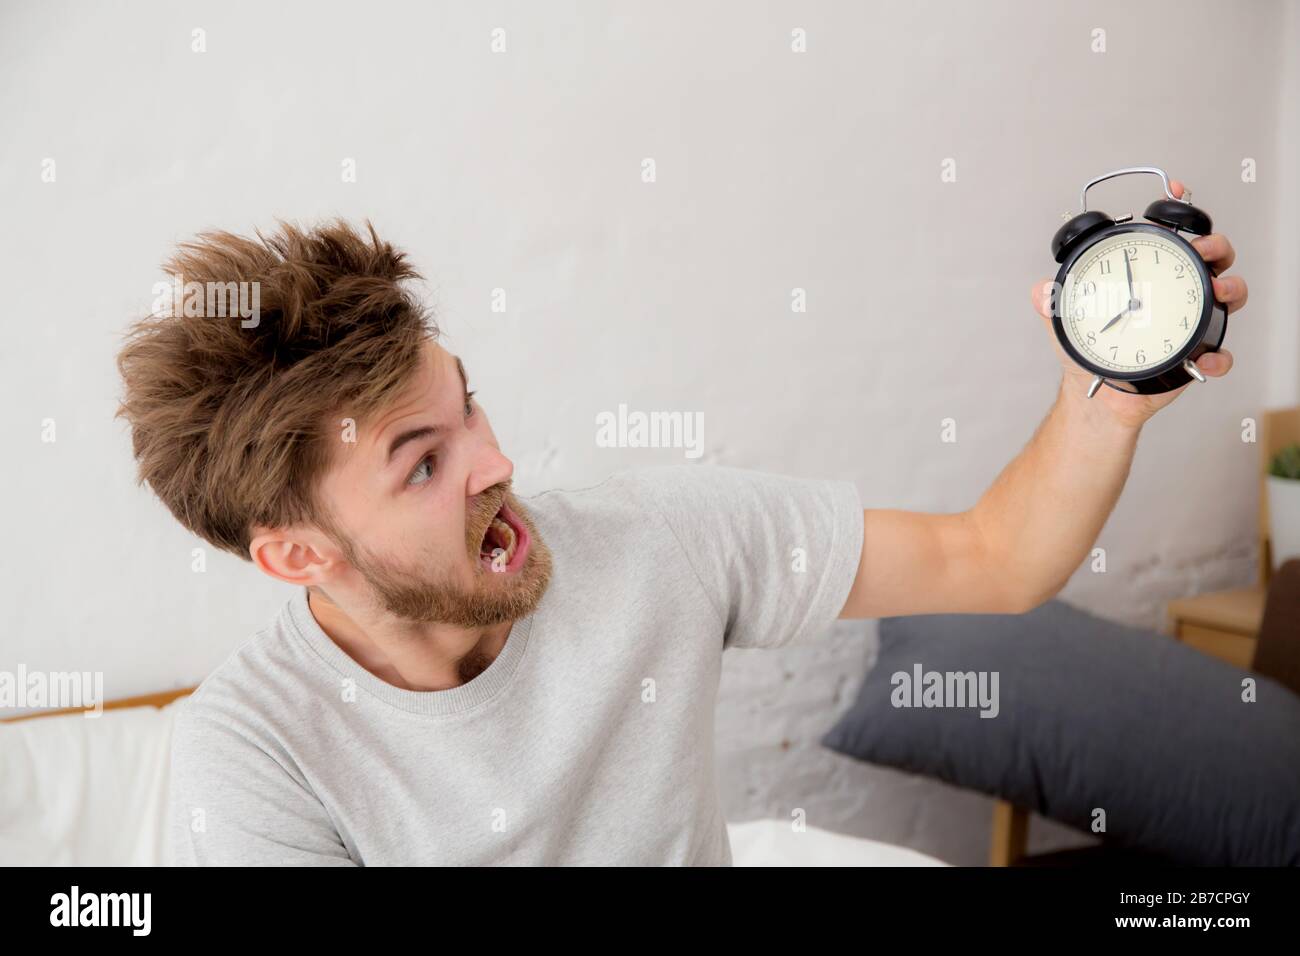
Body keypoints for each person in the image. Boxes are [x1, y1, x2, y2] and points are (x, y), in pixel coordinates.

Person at [114, 183, 1246, 865]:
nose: (498, 467)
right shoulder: (251, 749)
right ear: (298, 554)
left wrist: (1103, 398)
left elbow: (992, 558)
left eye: (470, 412)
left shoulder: (655, 535)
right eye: (422, 465)